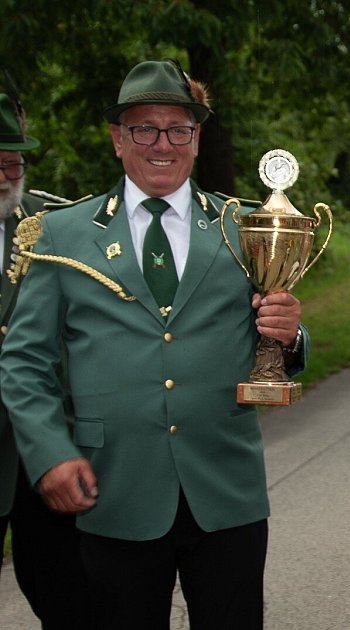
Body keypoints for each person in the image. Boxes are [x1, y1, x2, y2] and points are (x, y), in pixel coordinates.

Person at [0, 59, 307, 629]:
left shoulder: (245, 225)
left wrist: (289, 336)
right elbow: (23, 362)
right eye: (144, 128)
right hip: (114, 489)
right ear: (118, 140)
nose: (161, 144)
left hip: (226, 488)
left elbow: (277, 337)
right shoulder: (63, 234)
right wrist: (49, 455)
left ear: (196, 138)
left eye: (177, 129)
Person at [0, 88, 90, 628]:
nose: (5, 175)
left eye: (13, 162)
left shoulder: (55, 225)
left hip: (47, 447)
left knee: (72, 599)